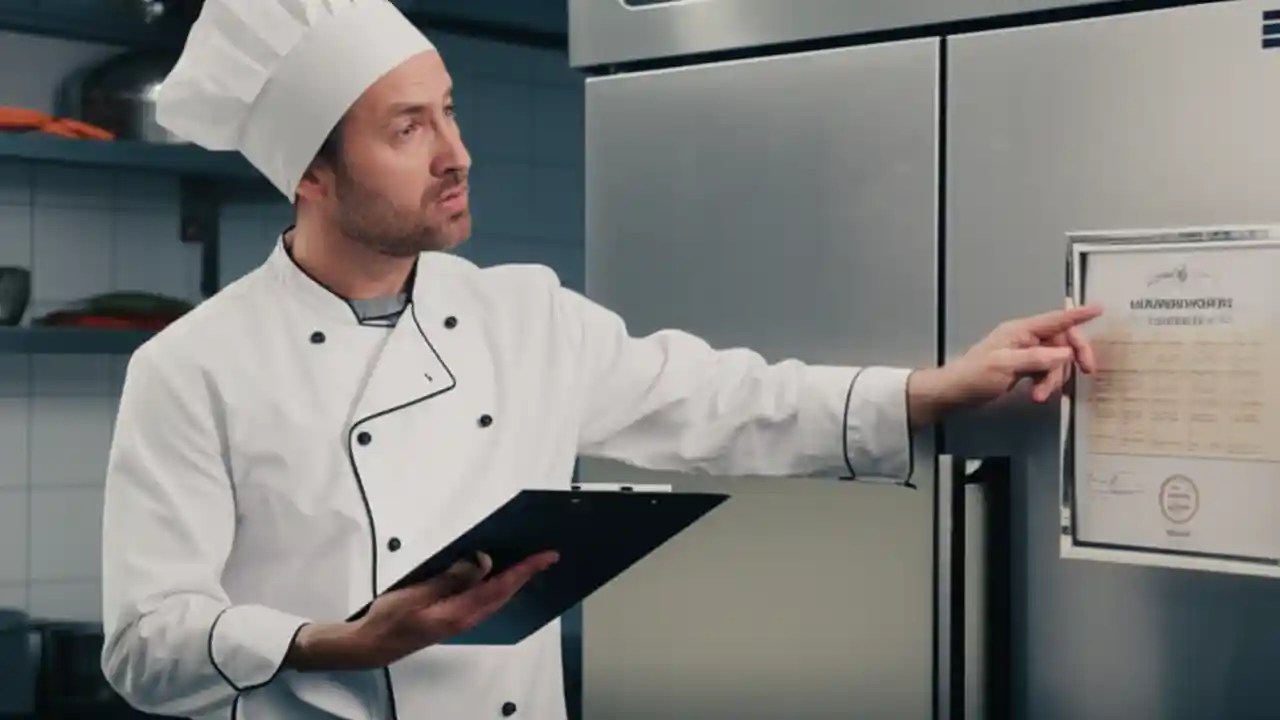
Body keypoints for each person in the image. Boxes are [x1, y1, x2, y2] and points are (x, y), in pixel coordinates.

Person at [98, 1, 1101, 718]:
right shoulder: (195, 368)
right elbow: (144, 648)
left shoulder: (522, 316)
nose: (456, 152)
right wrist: (331, 641)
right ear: (311, 174)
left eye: (448, 108)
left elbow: (727, 402)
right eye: (408, 127)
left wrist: (932, 390)